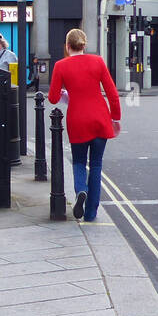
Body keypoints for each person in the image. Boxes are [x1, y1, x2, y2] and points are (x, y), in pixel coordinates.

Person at [49, 29, 121, 223]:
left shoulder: (60, 66)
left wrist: (67, 91)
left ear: (67, 46)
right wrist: (115, 118)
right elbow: (113, 94)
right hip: (100, 119)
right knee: (96, 165)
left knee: (79, 162)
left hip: (78, 120)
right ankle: (90, 214)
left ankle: (81, 189)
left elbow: (53, 97)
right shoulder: (97, 61)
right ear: (84, 45)